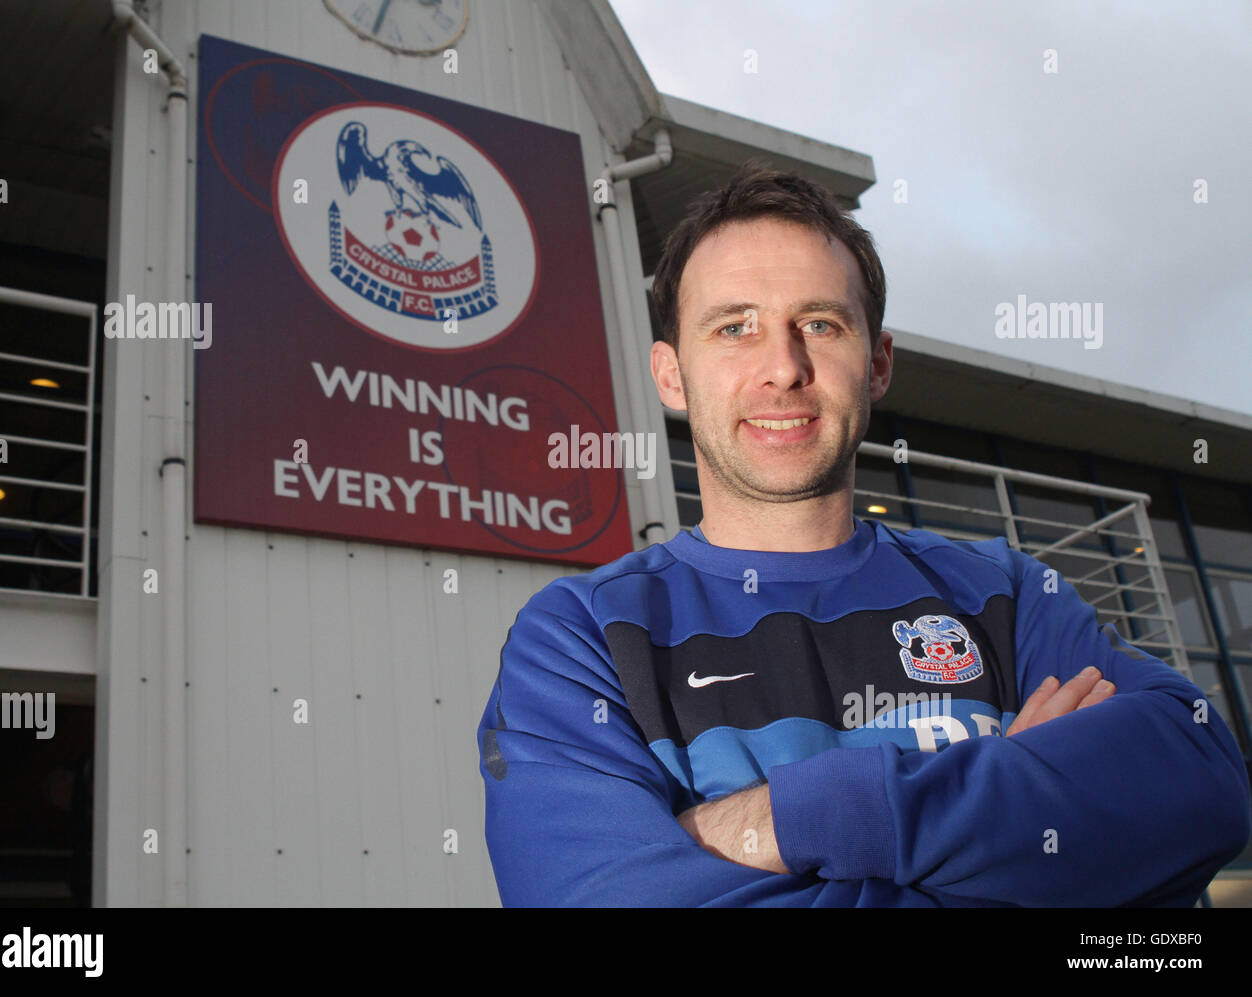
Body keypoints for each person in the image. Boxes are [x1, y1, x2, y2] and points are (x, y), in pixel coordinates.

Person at [475, 163, 1251, 907]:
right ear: (671, 374)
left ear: (877, 362)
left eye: (820, 322)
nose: (783, 367)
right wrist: (1009, 793)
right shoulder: (582, 638)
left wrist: (789, 818)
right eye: (734, 327)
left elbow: (1199, 779)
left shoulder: (1003, 593)